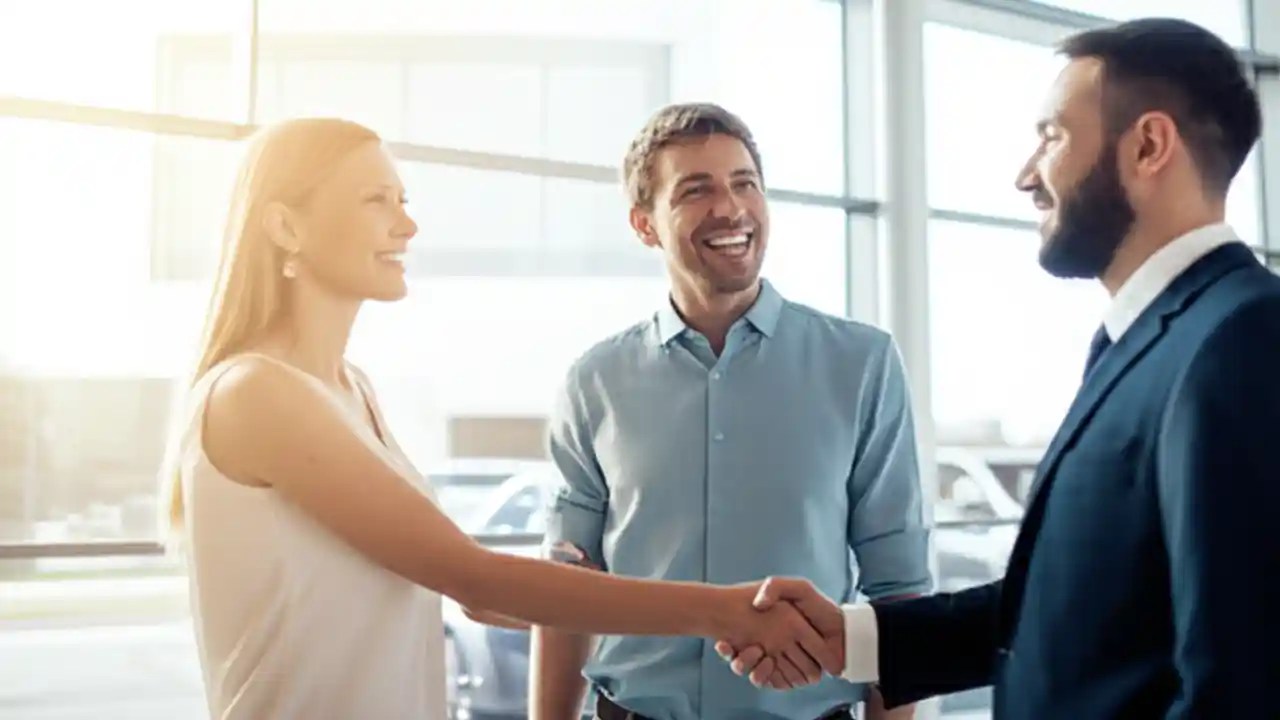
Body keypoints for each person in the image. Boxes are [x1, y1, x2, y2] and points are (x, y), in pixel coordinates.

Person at [157, 117, 842, 720]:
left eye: (404, 199)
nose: (407, 224)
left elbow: (482, 599)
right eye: (375, 200)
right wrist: (722, 609)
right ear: (284, 226)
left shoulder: (352, 390)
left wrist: (643, 608)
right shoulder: (256, 394)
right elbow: (474, 578)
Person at [717, 18, 1280, 719]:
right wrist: (854, 638)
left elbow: (1243, 683)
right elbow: (1075, 601)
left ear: (1148, 145)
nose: (1025, 175)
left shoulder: (1240, 341)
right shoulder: (1154, 340)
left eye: (1053, 136)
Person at [528, 103, 931, 720]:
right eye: (697, 190)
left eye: (745, 183)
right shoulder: (595, 380)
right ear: (645, 224)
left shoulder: (862, 364)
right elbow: (564, 596)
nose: (731, 207)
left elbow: (898, 589)